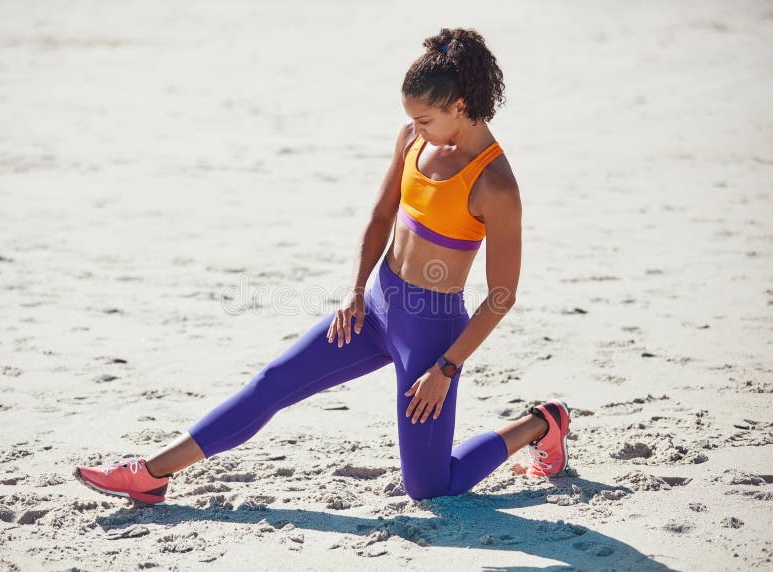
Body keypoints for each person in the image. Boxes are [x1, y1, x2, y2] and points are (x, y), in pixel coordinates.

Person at [73, 27, 571, 507]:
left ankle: (539, 424)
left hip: (432, 336)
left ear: (459, 107)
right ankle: (151, 474)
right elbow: (381, 217)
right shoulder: (412, 140)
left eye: (425, 120)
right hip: (374, 309)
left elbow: (502, 296)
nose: (415, 130)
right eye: (412, 120)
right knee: (272, 383)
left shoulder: (495, 185)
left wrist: (445, 368)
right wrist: (356, 290)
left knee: (429, 487)